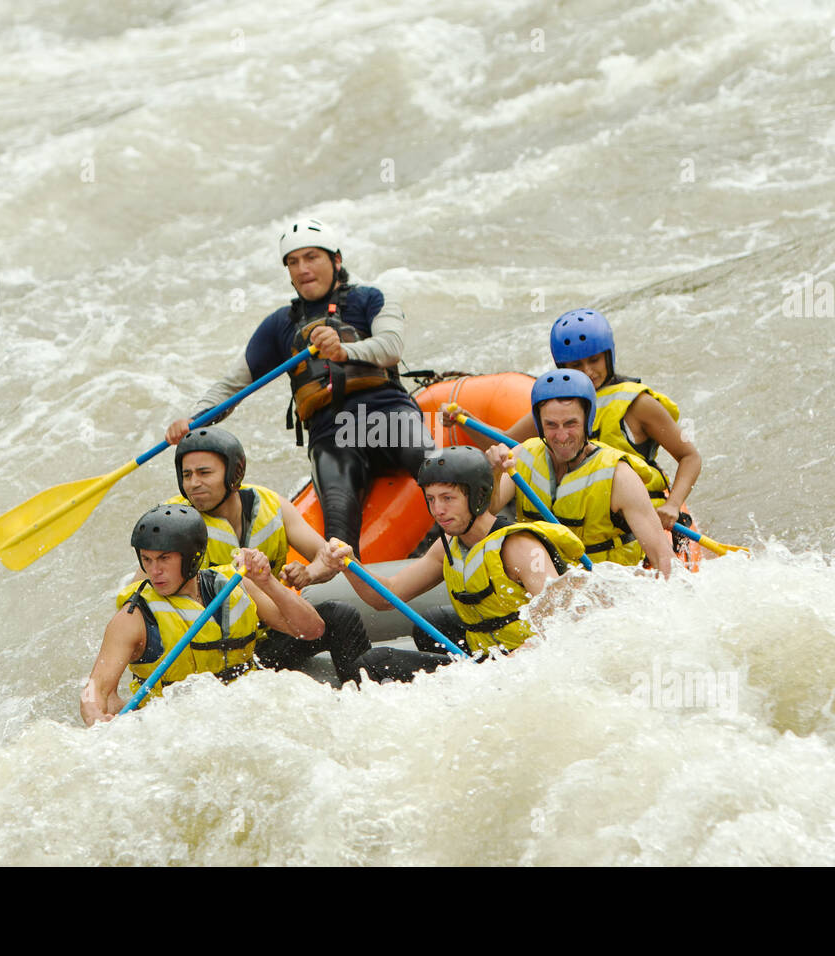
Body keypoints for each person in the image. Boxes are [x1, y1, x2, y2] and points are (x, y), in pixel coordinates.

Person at [165, 218, 432, 557]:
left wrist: (344, 350)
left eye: (312, 257)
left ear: (336, 260)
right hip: (334, 435)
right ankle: (348, 591)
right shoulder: (280, 324)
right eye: (293, 262)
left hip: (386, 415)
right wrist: (195, 420)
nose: (303, 268)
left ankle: (453, 544)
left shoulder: (370, 298)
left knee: (437, 469)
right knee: (337, 521)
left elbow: (391, 346)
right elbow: (234, 384)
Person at [320, 447, 585, 683]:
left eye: (448, 498)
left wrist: (503, 669)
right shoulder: (449, 545)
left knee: (374, 664)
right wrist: (350, 565)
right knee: (432, 623)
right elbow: (387, 596)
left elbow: (561, 627)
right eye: (431, 499)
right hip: (488, 654)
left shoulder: (520, 548)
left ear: (478, 497)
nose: (438, 510)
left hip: (519, 663)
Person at [448, 308, 701, 533]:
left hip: (632, 514)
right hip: (580, 514)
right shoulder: (558, 406)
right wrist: (466, 421)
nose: (588, 372)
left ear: (608, 356)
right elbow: (505, 443)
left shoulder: (639, 405)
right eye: (576, 365)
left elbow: (689, 456)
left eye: (594, 361)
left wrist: (673, 504)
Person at [162, 426, 372, 685]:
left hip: (268, 640)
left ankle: (363, 696)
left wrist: (309, 573)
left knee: (341, 617)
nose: (194, 483)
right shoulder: (173, 524)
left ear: (233, 473)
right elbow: (140, 596)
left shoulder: (272, 506)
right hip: (216, 657)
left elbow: (327, 558)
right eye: (187, 475)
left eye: (204, 473)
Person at [81, 504, 326, 726]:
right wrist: (96, 717)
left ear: (193, 557)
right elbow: (95, 690)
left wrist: (267, 581)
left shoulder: (235, 585)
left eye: (164, 559)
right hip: (177, 727)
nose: (154, 571)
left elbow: (312, 629)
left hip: (249, 712)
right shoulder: (133, 618)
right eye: (147, 559)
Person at [485, 369, 676, 575]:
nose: (561, 436)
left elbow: (663, 558)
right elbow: (489, 510)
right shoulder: (522, 455)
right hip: (540, 576)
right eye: (551, 425)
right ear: (539, 424)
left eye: (571, 423)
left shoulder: (619, 476)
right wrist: (495, 473)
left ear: (588, 420)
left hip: (600, 585)